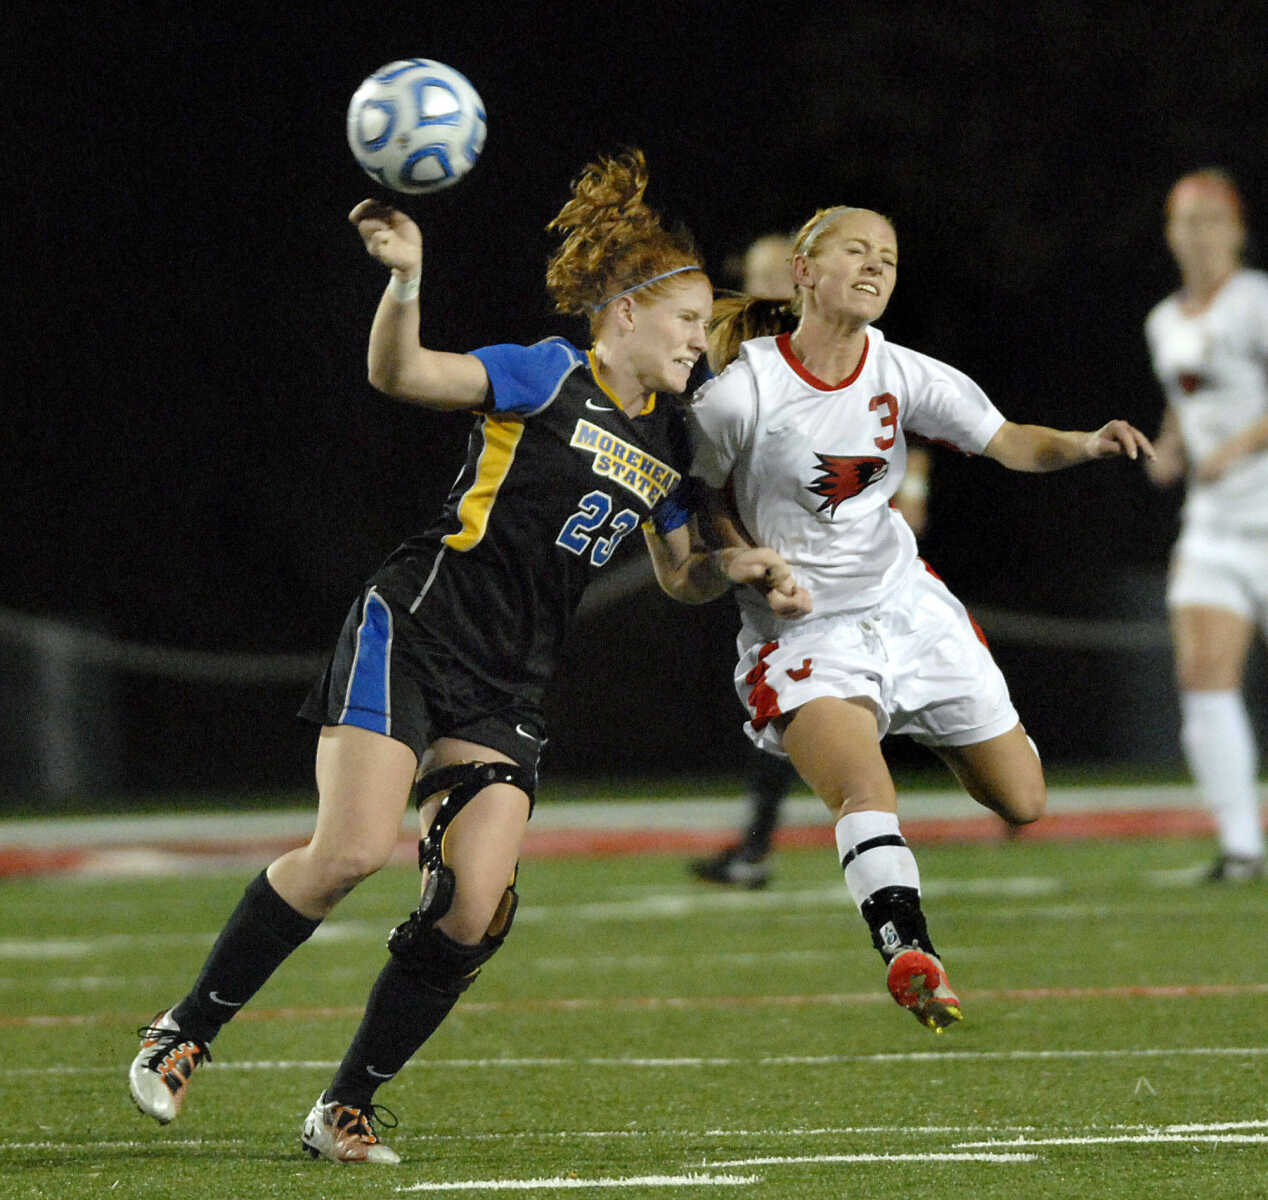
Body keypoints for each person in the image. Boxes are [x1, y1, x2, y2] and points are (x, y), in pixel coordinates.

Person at [126, 149, 805, 1166]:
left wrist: (740, 565)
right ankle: (183, 1030)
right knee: (350, 852)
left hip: (508, 683)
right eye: (685, 320)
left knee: (474, 909)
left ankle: (345, 1106)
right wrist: (406, 280)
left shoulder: (672, 440)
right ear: (623, 314)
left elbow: (681, 576)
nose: (697, 341)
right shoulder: (547, 372)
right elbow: (400, 374)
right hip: (415, 630)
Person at [675, 203, 1153, 1033]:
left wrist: (1083, 443)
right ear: (803, 273)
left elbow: (1008, 439)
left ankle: (918, 714)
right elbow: (697, 496)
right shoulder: (742, 390)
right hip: (807, 634)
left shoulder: (902, 373)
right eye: (855, 251)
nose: (875, 266)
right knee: (866, 789)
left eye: (888, 258)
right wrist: (753, 561)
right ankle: (908, 946)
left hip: (908, 611)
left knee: (1023, 800)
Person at [689, 231, 931, 889]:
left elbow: (903, 420)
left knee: (828, 686)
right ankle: (762, 842)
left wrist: (911, 493)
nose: (770, 293)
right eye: (759, 278)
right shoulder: (729, 355)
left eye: (780, 278)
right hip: (761, 554)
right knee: (785, 692)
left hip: (837, 558)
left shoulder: (834, 344)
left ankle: (765, 844)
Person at [1143, 168, 1268, 882]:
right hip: (1214, 526)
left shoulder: (1257, 301)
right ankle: (1242, 847)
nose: (1198, 234)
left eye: (1211, 219)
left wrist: (1240, 445)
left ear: (1237, 229)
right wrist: (1173, 446)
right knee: (1202, 677)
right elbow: (1182, 399)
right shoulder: (1163, 320)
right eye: (1186, 220)